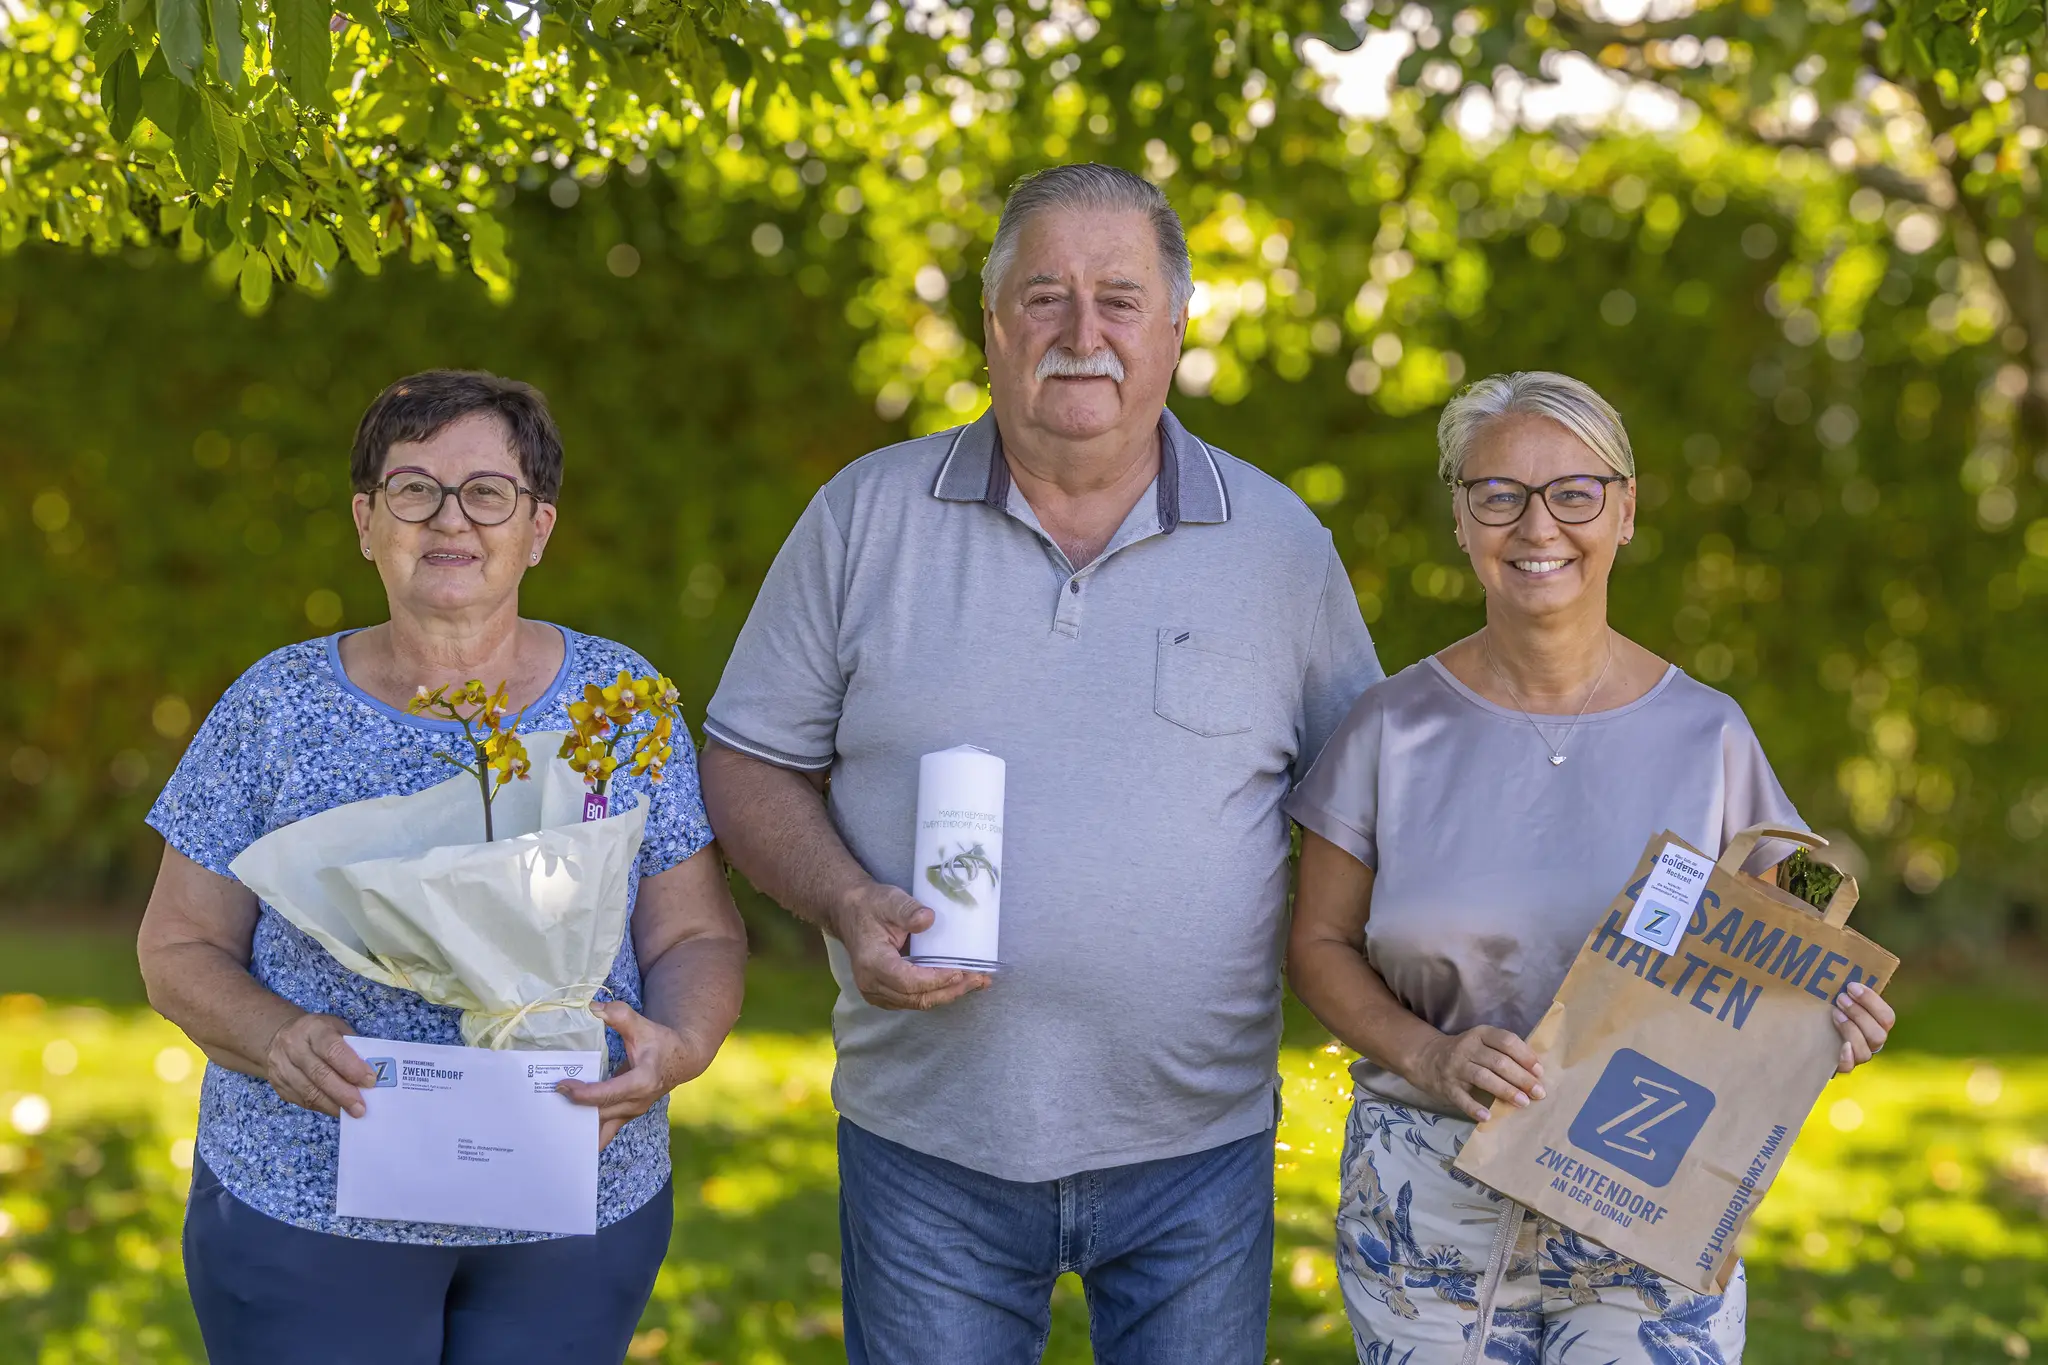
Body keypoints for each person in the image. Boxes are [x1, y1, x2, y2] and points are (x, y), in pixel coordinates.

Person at [699, 163, 1383, 1363]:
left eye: (1119, 301)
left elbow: (1368, 816)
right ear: (991, 325)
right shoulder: (865, 519)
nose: (1083, 336)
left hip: (1196, 1150)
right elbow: (749, 762)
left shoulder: (1279, 547)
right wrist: (846, 901)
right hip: (929, 1144)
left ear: (1173, 329)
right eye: (1044, 298)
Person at [136, 369, 747, 1365]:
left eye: (487, 493)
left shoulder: (623, 703)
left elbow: (694, 930)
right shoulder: (275, 706)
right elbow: (177, 945)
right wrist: (276, 1035)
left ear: (538, 528)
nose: (448, 519)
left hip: (572, 1197)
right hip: (311, 1205)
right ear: (366, 521)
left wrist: (676, 1045)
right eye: (414, 488)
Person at [1285, 371, 1896, 1363]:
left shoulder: (1709, 733)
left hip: (1648, 1183)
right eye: (1498, 494)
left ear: (1623, 509)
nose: (1537, 527)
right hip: (1427, 1203)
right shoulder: (1388, 728)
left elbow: (1810, 890)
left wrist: (1834, 989)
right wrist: (1431, 1057)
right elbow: (1314, 945)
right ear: (1460, 515)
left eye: (1572, 492)